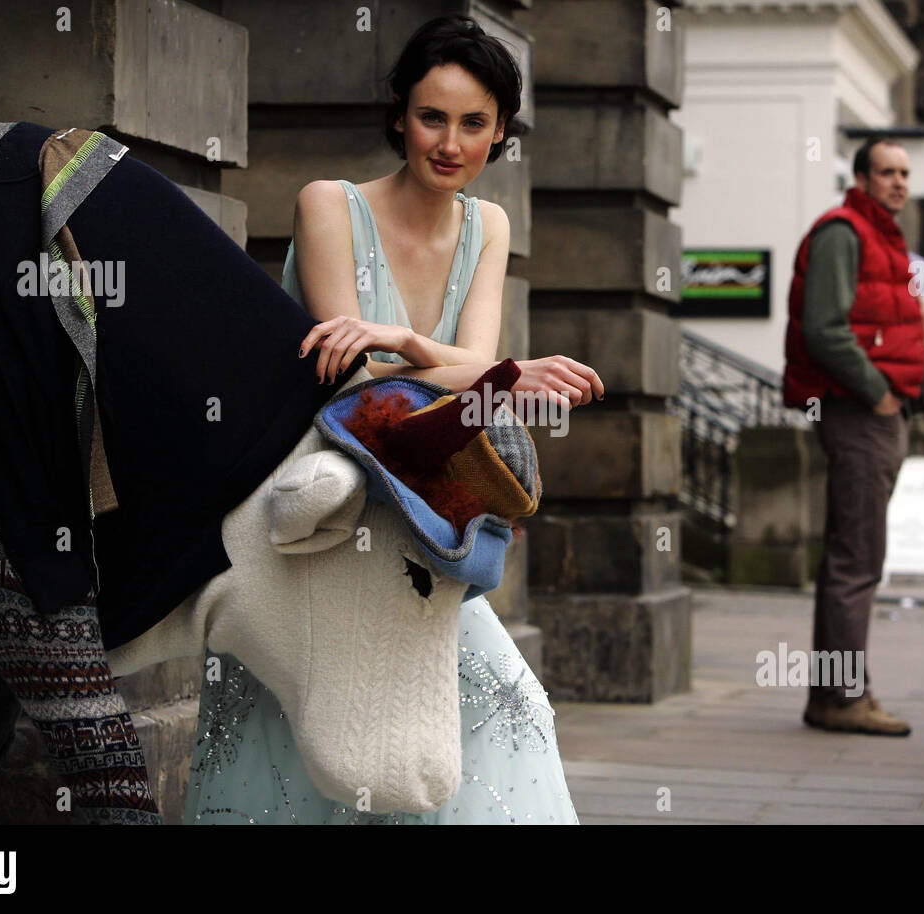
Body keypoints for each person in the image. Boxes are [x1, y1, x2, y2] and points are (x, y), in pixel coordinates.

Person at [184, 15, 602, 824]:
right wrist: (469, 369)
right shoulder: (327, 206)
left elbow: (463, 397)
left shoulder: (490, 226)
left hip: (419, 525)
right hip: (322, 520)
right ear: (400, 115)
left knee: (506, 711)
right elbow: (354, 387)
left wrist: (412, 342)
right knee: (291, 738)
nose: (450, 142)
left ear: (500, 131)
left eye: (474, 123)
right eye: (431, 116)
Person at [781, 137, 924, 736]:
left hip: (871, 413)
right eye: (886, 172)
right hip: (858, 413)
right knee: (856, 557)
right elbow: (825, 329)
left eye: (904, 173)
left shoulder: (879, 235)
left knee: (855, 552)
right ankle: (842, 696)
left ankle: (833, 693)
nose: (898, 182)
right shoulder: (844, 231)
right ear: (862, 178)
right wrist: (878, 393)